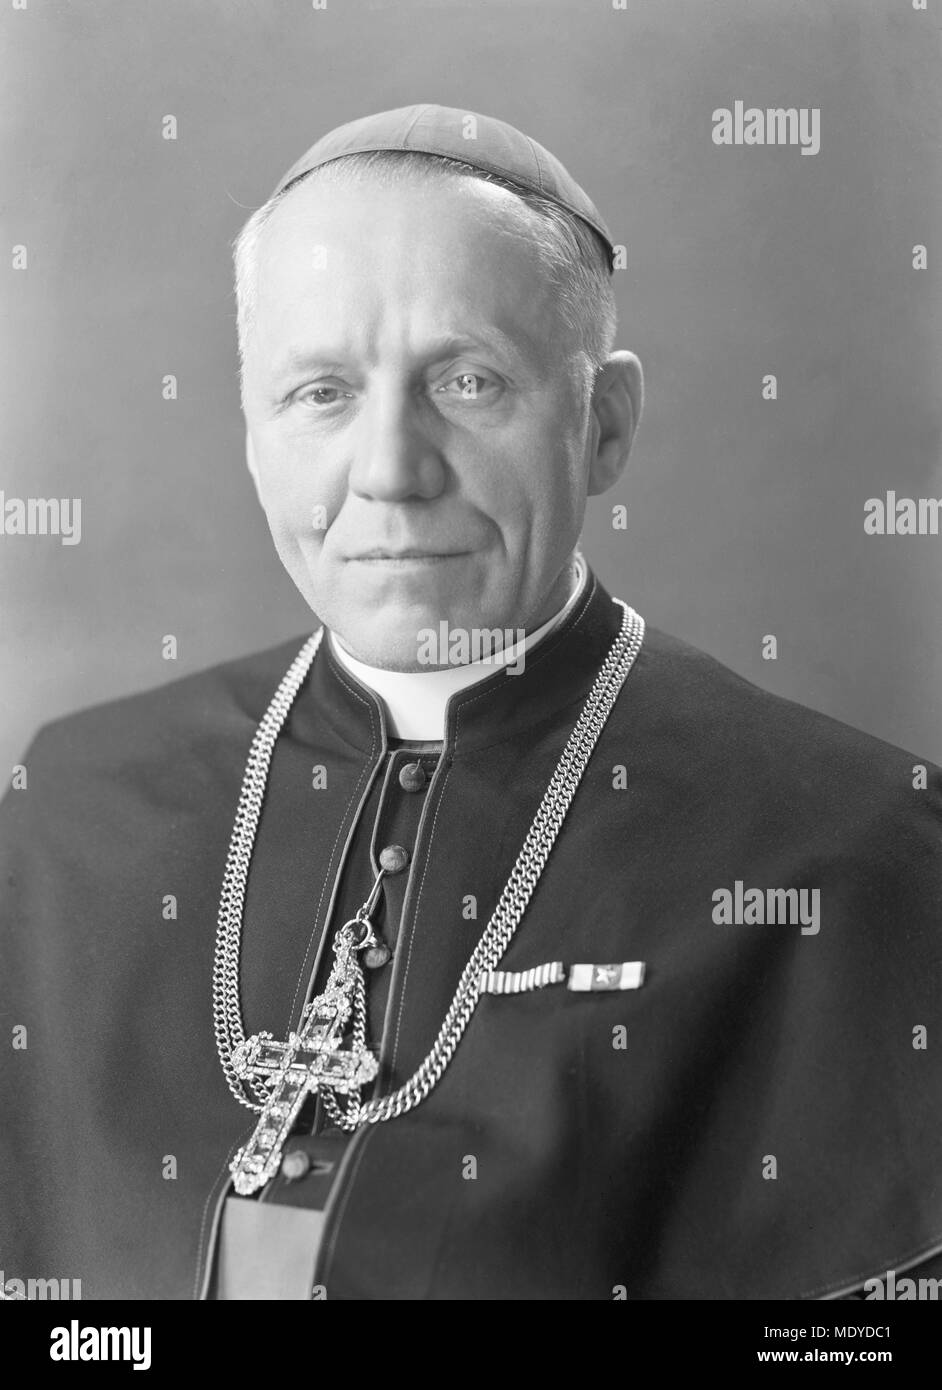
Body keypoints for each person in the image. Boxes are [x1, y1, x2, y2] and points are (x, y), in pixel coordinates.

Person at [2, 105, 940, 1303]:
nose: (392, 468)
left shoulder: (847, 850)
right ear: (251, 433)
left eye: (469, 379)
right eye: (322, 393)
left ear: (603, 425)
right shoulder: (71, 811)